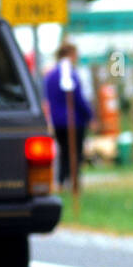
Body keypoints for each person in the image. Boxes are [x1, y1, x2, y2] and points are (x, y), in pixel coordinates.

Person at [44, 43, 92, 189]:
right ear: (71, 54)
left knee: (64, 152)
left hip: (57, 120)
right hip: (73, 120)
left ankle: (61, 180)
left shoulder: (50, 76)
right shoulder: (71, 74)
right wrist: (89, 115)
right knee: (75, 152)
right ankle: (74, 181)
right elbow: (78, 99)